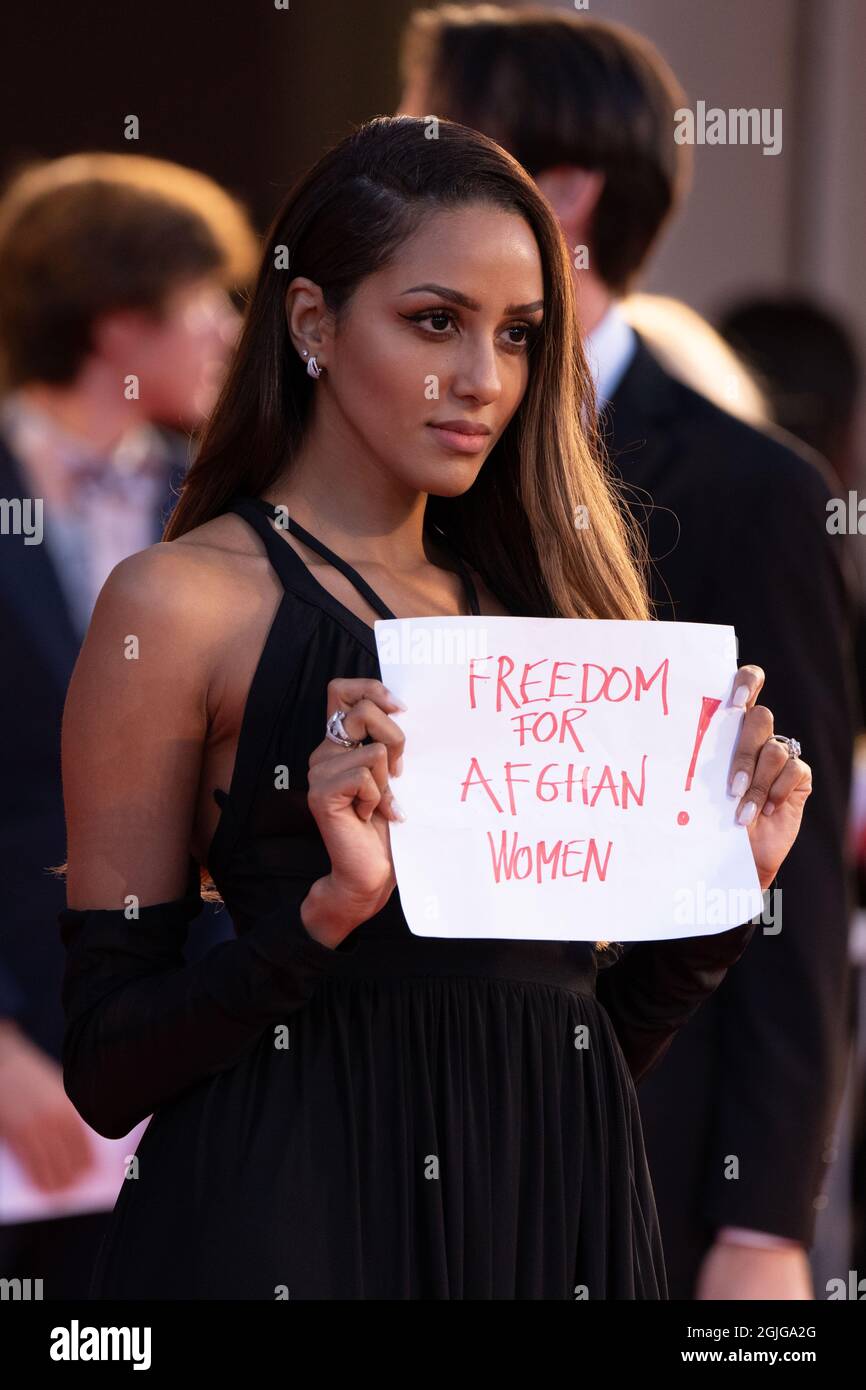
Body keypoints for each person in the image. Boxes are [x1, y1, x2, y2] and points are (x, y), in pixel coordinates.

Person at [57, 115, 810, 1300]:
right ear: (309, 320)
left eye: (518, 336)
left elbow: (557, 1038)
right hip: (288, 1228)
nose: (484, 379)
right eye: (433, 321)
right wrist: (320, 915)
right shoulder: (181, 604)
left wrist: (723, 898)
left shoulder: (554, 615)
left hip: (552, 1218)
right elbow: (104, 1065)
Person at [397, 4, 859, 1300]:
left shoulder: (743, 484)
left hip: (638, 1159)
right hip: (392, 1141)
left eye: (435, 141)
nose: (390, 171)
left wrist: (764, 1218)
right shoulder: (373, 453)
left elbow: (790, 875)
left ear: (559, 190)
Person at [0, 152, 255, 1296]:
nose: (228, 331)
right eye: (205, 299)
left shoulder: (219, 512)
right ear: (116, 322)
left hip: (184, 1070)